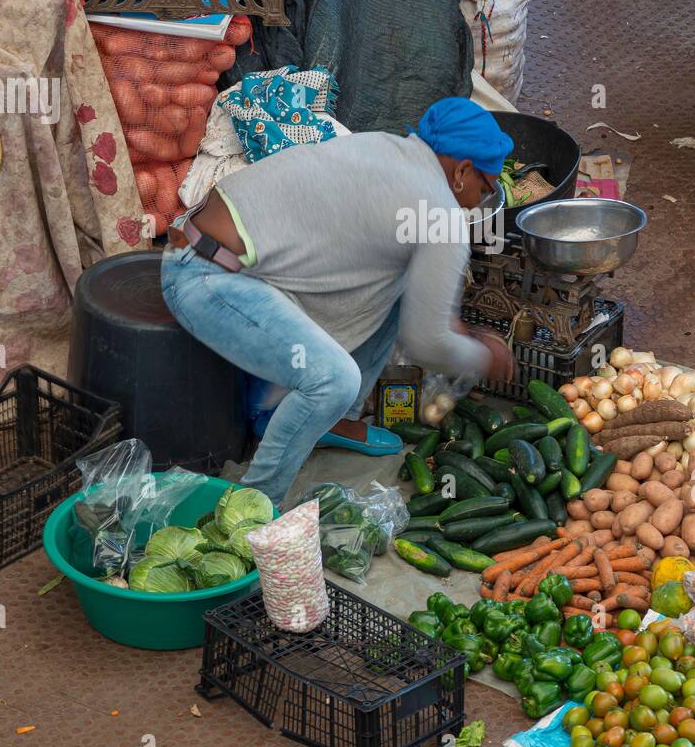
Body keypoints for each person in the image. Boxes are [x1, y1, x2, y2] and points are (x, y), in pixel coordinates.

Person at [160, 96, 514, 507]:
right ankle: (250, 509)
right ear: (463, 171)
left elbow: (417, 303)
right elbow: (426, 343)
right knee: (333, 380)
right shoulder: (442, 217)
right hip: (203, 279)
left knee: (401, 280)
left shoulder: (384, 145)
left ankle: (335, 421)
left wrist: (453, 326)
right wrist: (484, 357)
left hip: (206, 249)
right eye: (485, 189)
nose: (481, 201)